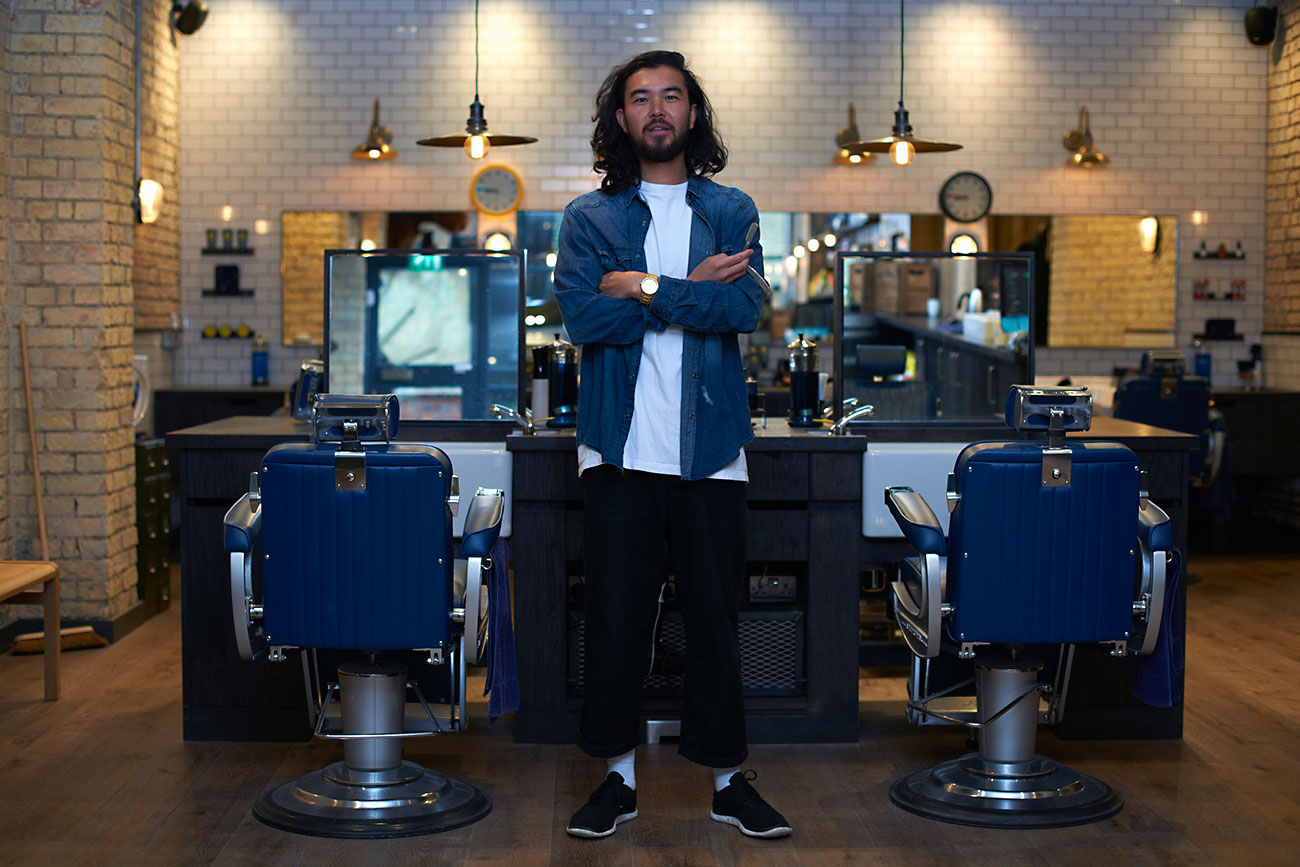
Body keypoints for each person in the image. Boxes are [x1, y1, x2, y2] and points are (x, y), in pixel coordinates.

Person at [552, 50, 789, 840]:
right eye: (641, 98)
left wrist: (644, 286)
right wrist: (693, 291)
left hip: (711, 449)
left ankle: (727, 782)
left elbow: (745, 309)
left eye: (672, 96)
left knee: (715, 621)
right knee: (617, 618)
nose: (657, 109)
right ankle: (616, 782)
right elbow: (585, 322)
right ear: (620, 118)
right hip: (617, 450)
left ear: (693, 112)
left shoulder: (730, 208)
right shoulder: (590, 218)